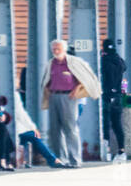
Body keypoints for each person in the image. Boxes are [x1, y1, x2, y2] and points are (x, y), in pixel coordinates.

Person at [39, 38, 101, 168]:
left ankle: (75, 160)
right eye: (54, 49)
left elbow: (86, 78)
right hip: (53, 96)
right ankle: (60, 159)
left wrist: (77, 89)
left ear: (64, 49)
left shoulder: (74, 62)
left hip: (68, 97)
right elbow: (46, 79)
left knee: (70, 128)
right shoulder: (51, 63)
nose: (56, 51)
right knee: (54, 130)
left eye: (58, 49)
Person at [14, 94, 61, 168]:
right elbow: (21, 114)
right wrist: (33, 127)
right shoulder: (14, 94)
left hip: (16, 128)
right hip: (14, 129)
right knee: (33, 135)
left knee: (28, 136)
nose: (18, 82)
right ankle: (52, 159)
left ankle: (22, 160)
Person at [100, 39, 127, 163]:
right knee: (117, 125)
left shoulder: (104, 61)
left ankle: (107, 150)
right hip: (117, 96)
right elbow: (125, 67)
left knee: (105, 124)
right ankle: (121, 150)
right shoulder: (119, 60)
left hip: (106, 95)